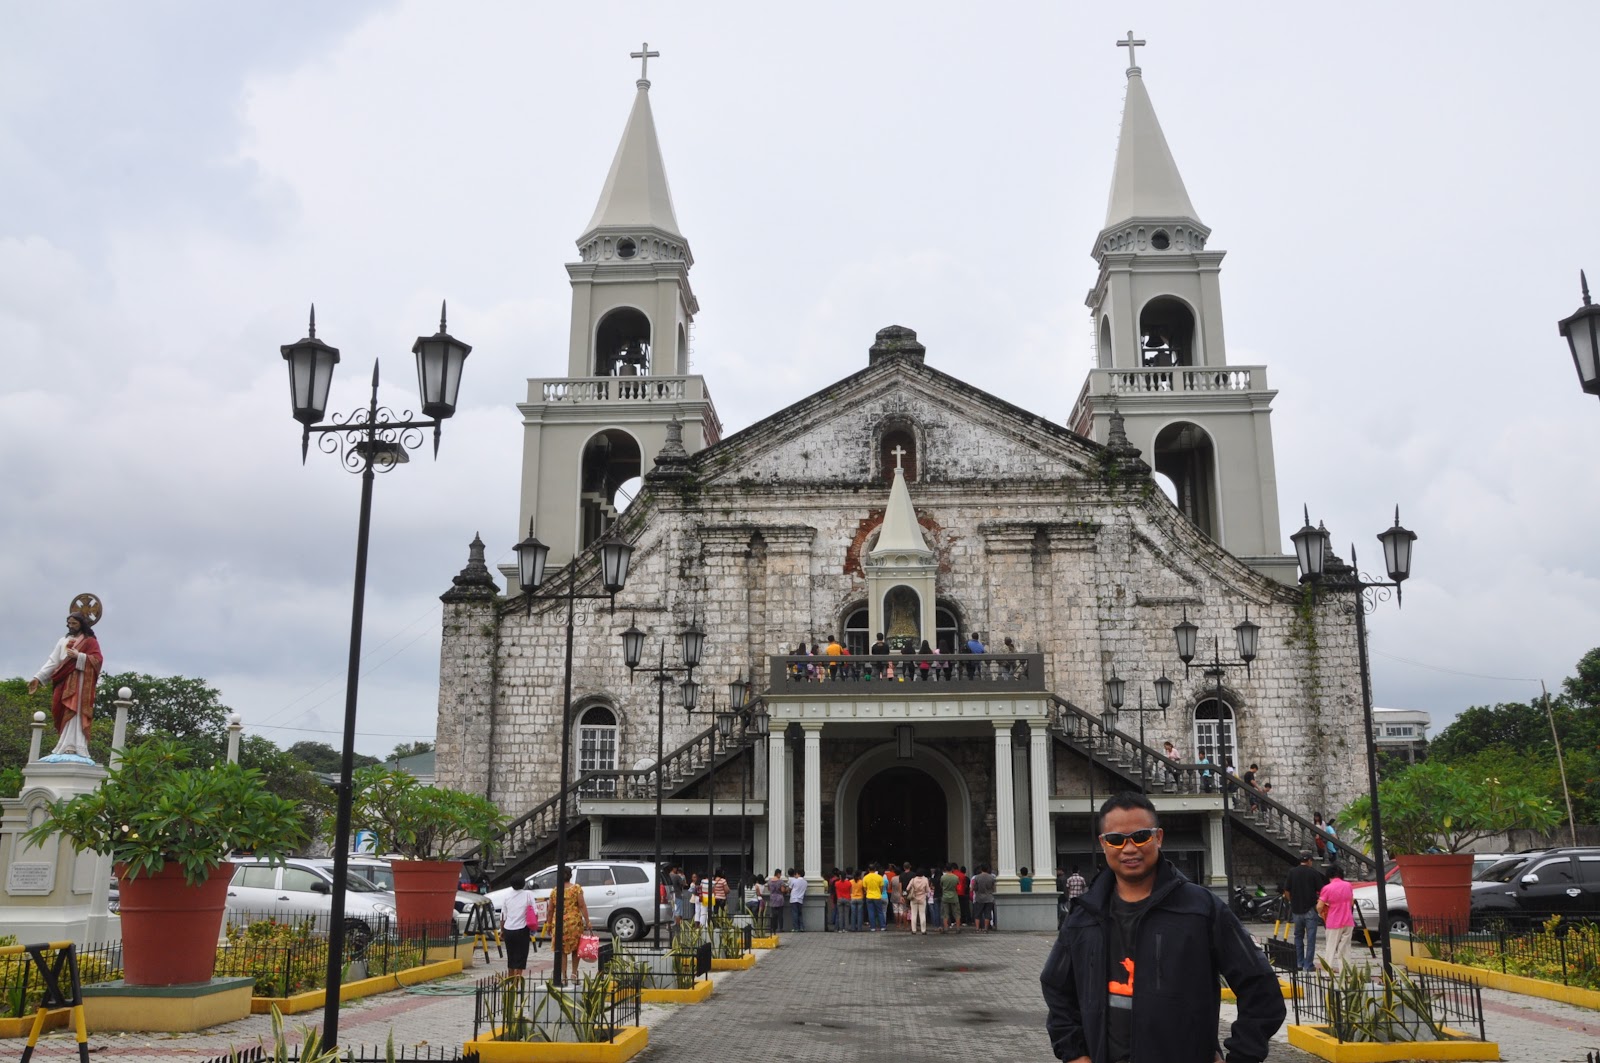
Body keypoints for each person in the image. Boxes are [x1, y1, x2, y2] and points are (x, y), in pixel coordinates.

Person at [1041, 791, 1285, 1063]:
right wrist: (1074, 1054)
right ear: (1103, 844)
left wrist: (1242, 1055)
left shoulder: (1200, 909)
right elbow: (1056, 988)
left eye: (1141, 836)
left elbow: (1260, 986)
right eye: (1116, 840)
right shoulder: (1083, 916)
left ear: (1158, 837)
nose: (1129, 848)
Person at [30, 612, 103, 760]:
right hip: (63, 681)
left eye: (74, 623)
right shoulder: (63, 641)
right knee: (60, 709)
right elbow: (53, 661)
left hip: (81, 683)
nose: (71, 626)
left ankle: (76, 745)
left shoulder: (90, 642)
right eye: (69, 623)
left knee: (75, 709)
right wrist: (38, 677)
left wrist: (79, 656)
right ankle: (64, 742)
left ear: (81, 624)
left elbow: (97, 660)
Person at [1284, 851, 1329, 973]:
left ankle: (1299, 962)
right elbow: (1322, 890)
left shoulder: (1292, 872)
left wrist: (1292, 902)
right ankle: (1308, 965)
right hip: (1310, 909)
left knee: (1298, 936)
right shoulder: (1313, 873)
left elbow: (1286, 891)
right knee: (1310, 938)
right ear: (1309, 861)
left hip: (1296, 910)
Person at [552, 866, 591, 983]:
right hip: (574, 923)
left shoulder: (555, 890)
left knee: (562, 950)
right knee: (576, 949)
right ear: (570, 876)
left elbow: (550, 909)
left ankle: (563, 976)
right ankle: (574, 974)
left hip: (560, 923)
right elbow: (582, 905)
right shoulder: (576, 889)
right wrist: (587, 921)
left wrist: (548, 925)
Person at [1318, 864, 1355, 971]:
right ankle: (1346, 971)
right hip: (1348, 920)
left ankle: (1327, 971)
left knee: (1331, 947)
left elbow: (1320, 906)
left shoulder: (1327, 888)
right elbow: (1351, 903)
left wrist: (1320, 912)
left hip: (1333, 921)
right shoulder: (1348, 885)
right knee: (1345, 948)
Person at [501, 877, 536, 979]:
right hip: (522, 929)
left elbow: (503, 915)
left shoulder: (506, 896)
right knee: (521, 956)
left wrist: (502, 930)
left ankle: (510, 978)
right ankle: (517, 980)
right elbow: (535, 911)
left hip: (508, 929)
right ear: (523, 884)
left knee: (510, 955)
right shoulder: (528, 894)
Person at [971, 865, 997, 931]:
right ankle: (986, 928)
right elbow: (994, 888)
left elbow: (974, 888)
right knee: (987, 913)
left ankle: (977, 928)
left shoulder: (977, 877)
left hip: (979, 898)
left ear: (981, 869)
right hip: (989, 898)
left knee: (977, 914)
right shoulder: (991, 877)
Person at [906, 867, 931, 934]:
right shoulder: (925, 879)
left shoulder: (913, 880)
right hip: (922, 898)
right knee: (922, 914)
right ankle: (923, 930)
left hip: (914, 898)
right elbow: (928, 890)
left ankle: (914, 930)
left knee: (913, 914)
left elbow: (907, 888)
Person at [863, 863, 886, 931]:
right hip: (877, 896)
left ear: (868, 869)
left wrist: (868, 892)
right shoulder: (879, 877)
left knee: (871, 912)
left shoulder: (865, 877)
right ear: (875, 869)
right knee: (880, 912)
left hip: (869, 896)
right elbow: (881, 887)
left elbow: (864, 888)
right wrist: (879, 893)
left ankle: (872, 927)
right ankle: (882, 926)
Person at [939, 863, 961, 932]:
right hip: (954, 896)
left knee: (945, 913)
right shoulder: (955, 877)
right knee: (956, 913)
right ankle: (958, 928)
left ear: (945, 869)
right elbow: (958, 885)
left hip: (945, 896)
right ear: (952, 869)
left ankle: (946, 928)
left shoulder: (943, 877)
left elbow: (941, 885)